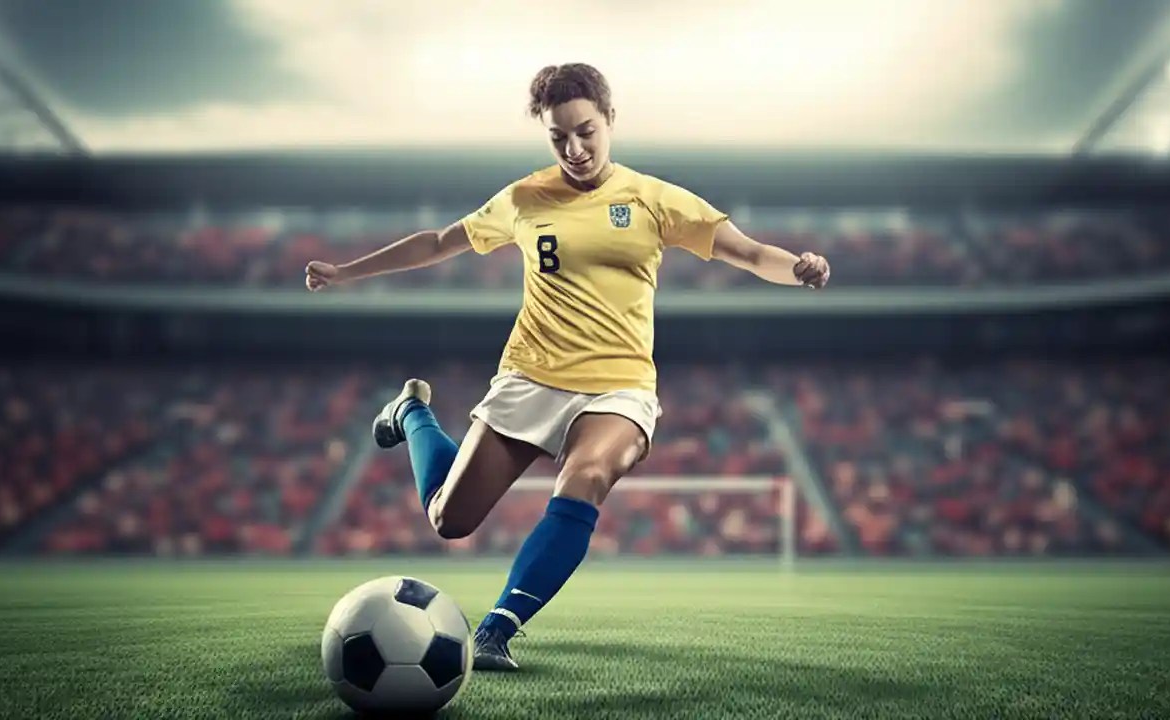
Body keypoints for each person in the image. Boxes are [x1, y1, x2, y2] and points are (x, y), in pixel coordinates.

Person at [305, 62, 830, 671]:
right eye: (559, 138)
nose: (574, 149)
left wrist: (796, 267)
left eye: (586, 131)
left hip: (620, 385)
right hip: (531, 376)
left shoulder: (654, 199)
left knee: (586, 475)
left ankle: (498, 627)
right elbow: (440, 241)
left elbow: (748, 251)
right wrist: (348, 272)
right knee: (450, 519)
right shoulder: (525, 199)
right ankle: (414, 411)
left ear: (609, 120)